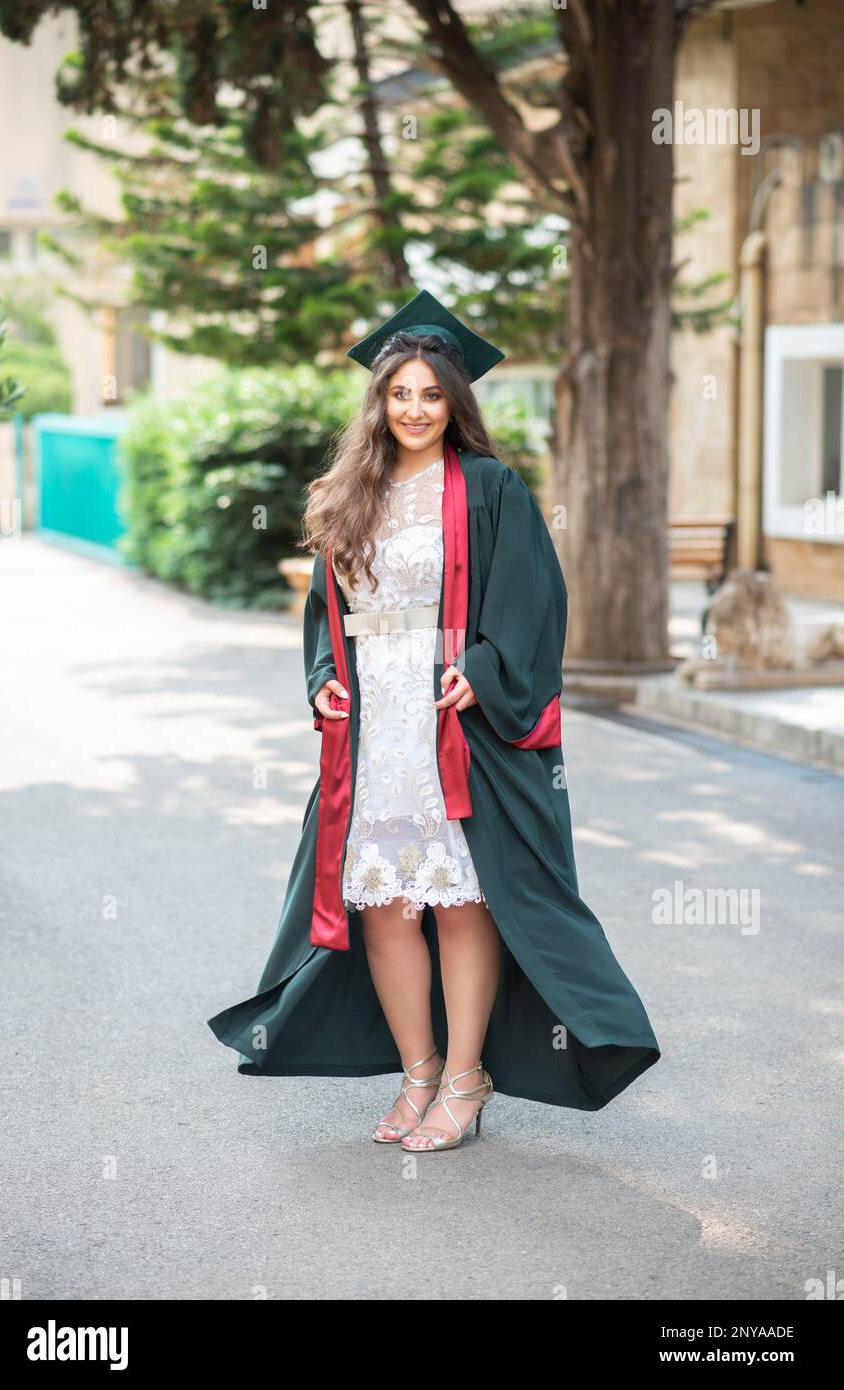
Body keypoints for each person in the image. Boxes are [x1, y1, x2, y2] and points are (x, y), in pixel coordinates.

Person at [207, 289, 660, 1153]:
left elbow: (535, 600)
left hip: (451, 723)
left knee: (460, 902)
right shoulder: (349, 494)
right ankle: (417, 1074)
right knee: (386, 906)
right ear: (377, 402)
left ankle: (464, 1078)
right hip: (373, 726)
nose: (413, 408)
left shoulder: (488, 488)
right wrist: (318, 682)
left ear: (455, 402)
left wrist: (484, 671)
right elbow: (322, 614)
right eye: (399, 393)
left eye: (430, 393)